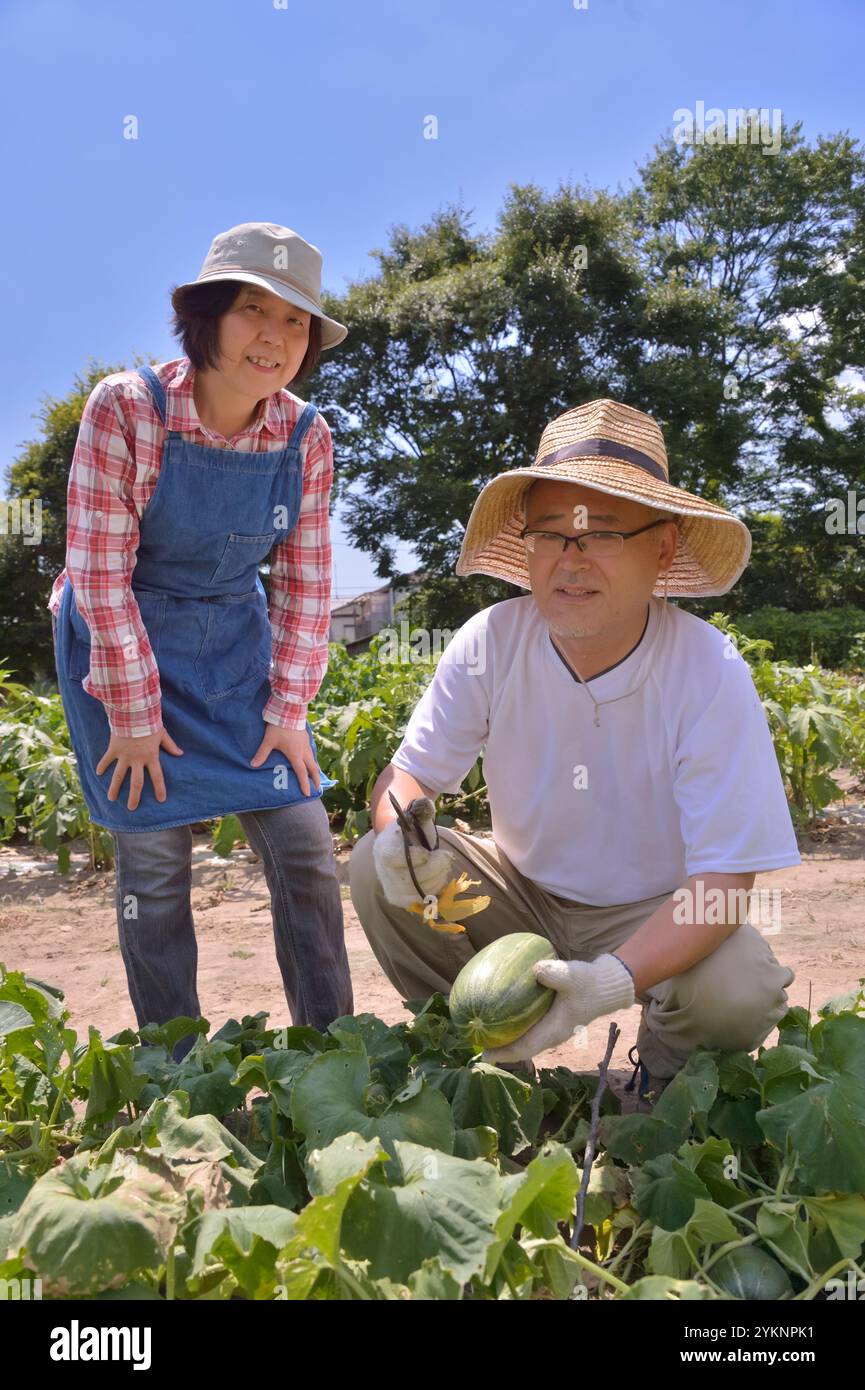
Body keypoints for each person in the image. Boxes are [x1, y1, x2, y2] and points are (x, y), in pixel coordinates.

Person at [349, 398, 800, 1104]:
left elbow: (724, 883)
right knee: (375, 871)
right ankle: (493, 1080)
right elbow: (407, 777)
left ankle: (660, 1087)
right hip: (519, 892)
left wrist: (613, 980)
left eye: (601, 534)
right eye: (551, 534)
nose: (571, 559)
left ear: (663, 549)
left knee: (736, 987)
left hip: (656, 906)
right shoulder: (489, 641)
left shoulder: (706, 669)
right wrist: (402, 836)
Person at [49, 222, 353, 1059]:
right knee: (154, 867)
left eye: (297, 322)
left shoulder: (305, 436)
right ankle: (175, 1070)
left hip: (232, 643)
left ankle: (334, 1055)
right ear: (208, 316)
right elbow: (100, 575)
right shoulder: (129, 408)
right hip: (120, 644)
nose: (276, 337)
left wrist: (289, 707)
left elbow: (305, 582)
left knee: (305, 847)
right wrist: (134, 714)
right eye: (255, 309)